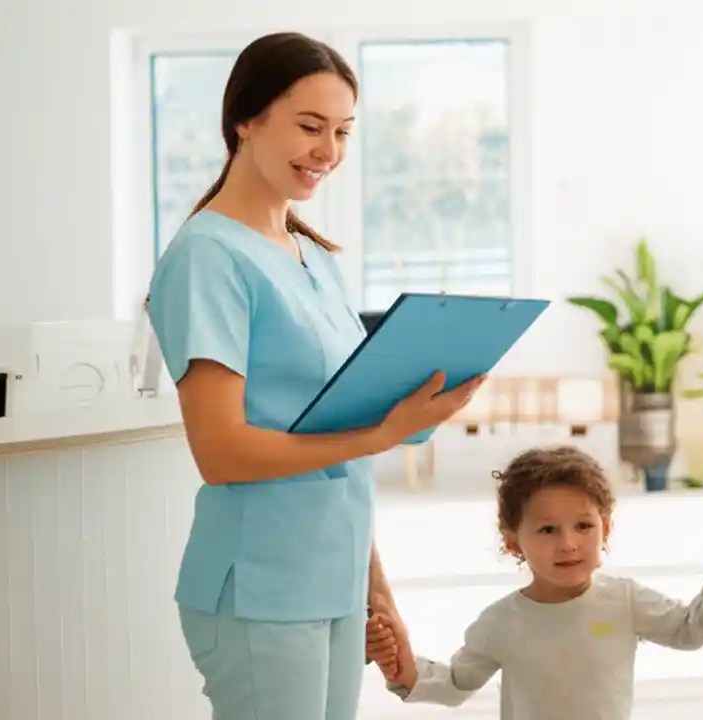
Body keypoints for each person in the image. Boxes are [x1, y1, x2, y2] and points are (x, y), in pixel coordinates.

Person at [146, 32, 483, 720]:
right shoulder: (207, 256)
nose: (327, 151)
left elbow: (342, 441)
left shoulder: (314, 258)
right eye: (309, 126)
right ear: (245, 119)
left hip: (332, 579)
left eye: (342, 132)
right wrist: (384, 434)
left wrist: (375, 588)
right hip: (260, 587)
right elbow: (221, 452)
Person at [364, 446, 703, 719]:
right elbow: (455, 684)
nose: (569, 544)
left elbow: (690, 630)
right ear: (512, 541)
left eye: (583, 526)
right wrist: (401, 667)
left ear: (604, 528)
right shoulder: (501, 622)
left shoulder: (624, 601)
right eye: (547, 530)